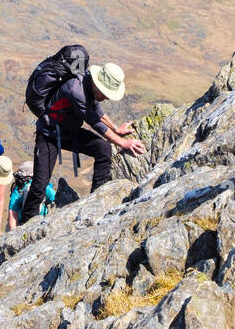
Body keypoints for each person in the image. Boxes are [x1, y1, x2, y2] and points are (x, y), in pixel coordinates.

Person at [20, 52, 144, 223]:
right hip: (49, 136)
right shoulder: (75, 90)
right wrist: (123, 142)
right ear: (98, 84)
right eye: (106, 93)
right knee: (40, 185)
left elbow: (96, 110)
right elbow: (94, 121)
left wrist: (116, 128)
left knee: (104, 148)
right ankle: (25, 224)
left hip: (69, 133)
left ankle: (96, 201)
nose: (107, 97)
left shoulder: (89, 86)